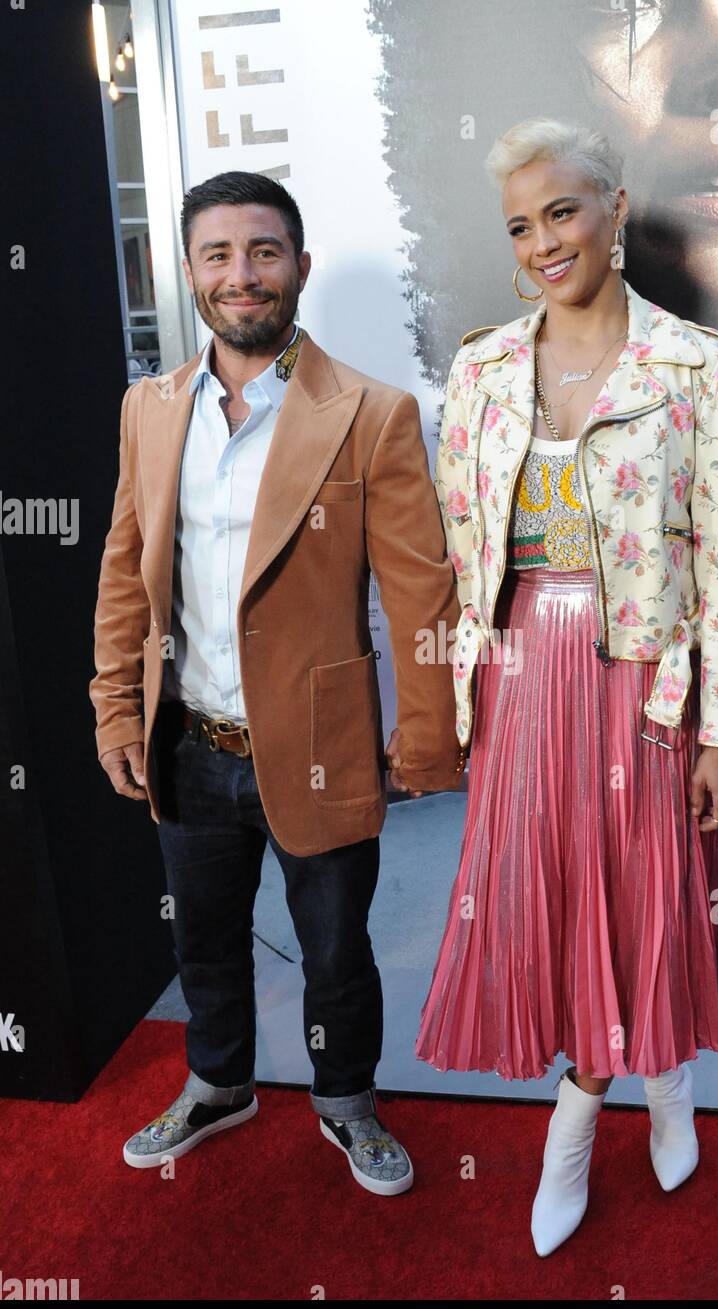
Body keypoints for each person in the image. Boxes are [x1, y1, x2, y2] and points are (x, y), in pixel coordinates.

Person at [416, 119, 718, 1256]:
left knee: (644, 893)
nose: (541, 241)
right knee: (559, 901)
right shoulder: (476, 369)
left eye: (561, 211)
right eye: (519, 225)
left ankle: (578, 1117)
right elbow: (459, 552)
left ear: (614, 209)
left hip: (643, 687)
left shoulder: (697, 366)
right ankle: (658, 1073)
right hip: (520, 678)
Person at [90, 171, 465, 1194]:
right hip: (187, 740)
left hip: (320, 741)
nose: (241, 275)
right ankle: (218, 1084)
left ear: (297, 268)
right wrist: (115, 708)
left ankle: (346, 1101)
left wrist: (426, 736)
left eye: (263, 252)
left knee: (335, 949)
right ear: (189, 273)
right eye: (218, 254)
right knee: (205, 943)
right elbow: (126, 571)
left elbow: (419, 591)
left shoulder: (373, 414)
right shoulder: (147, 409)